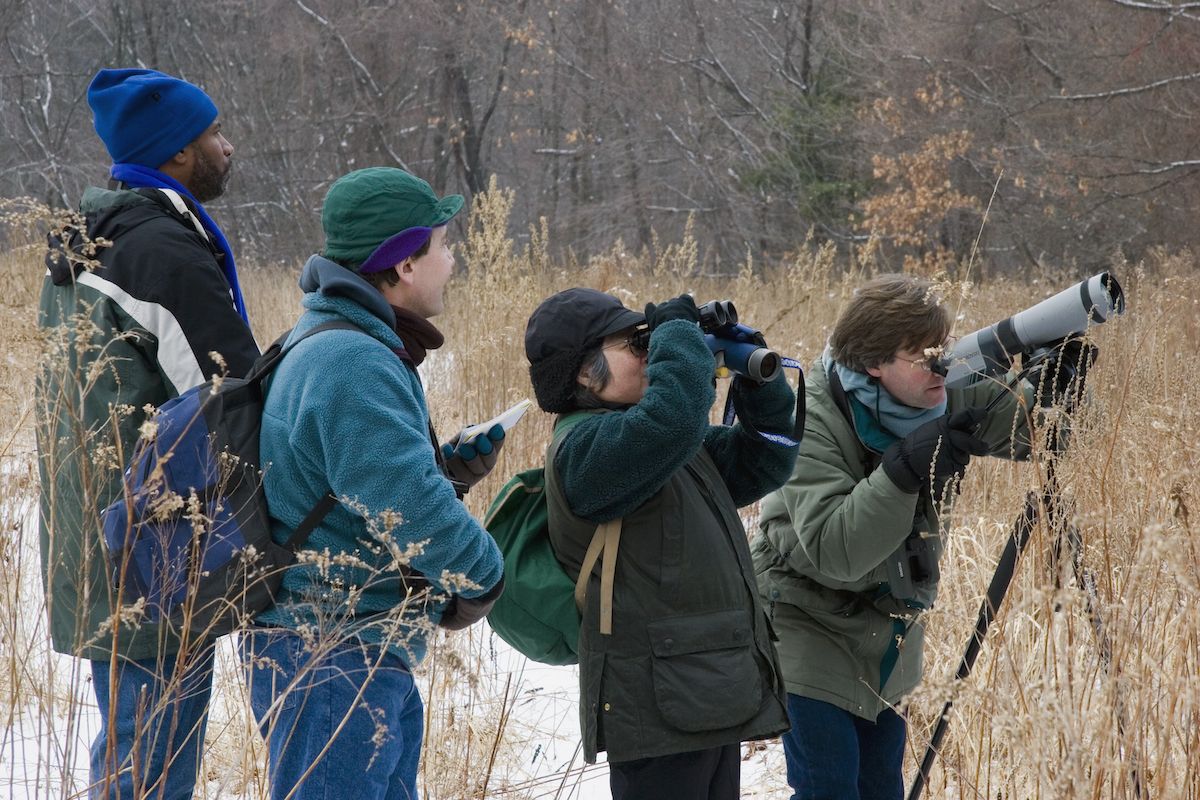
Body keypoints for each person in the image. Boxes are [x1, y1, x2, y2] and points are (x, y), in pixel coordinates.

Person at [241, 166, 505, 800]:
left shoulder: (334, 339)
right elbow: (405, 500)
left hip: (342, 646)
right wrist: (482, 576)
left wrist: (446, 469)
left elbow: (360, 482)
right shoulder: (353, 359)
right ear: (404, 264)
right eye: (442, 245)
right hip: (334, 655)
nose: (452, 260)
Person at [35, 68, 258, 799]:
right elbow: (233, 399)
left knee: (133, 760)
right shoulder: (161, 254)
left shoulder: (95, 238)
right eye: (214, 136)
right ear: (177, 156)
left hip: (100, 540)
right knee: (148, 773)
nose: (228, 148)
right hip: (155, 554)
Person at [750, 274, 1042, 800]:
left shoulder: (939, 386)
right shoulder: (810, 413)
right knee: (830, 789)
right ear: (873, 363)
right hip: (803, 618)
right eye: (923, 355)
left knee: (880, 788)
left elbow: (1038, 431)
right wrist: (903, 470)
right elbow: (835, 549)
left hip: (887, 631)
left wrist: (1056, 383)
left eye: (944, 349)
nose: (942, 365)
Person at [524, 289, 796, 799]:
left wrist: (758, 383)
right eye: (634, 345)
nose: (649, 354)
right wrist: (675, 334)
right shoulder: (584, 451)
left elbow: (768, 459)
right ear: (584, 373)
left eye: (648, 342)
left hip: (706, 690)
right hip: (655, 708)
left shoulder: (661, 442)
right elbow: (675, 418)